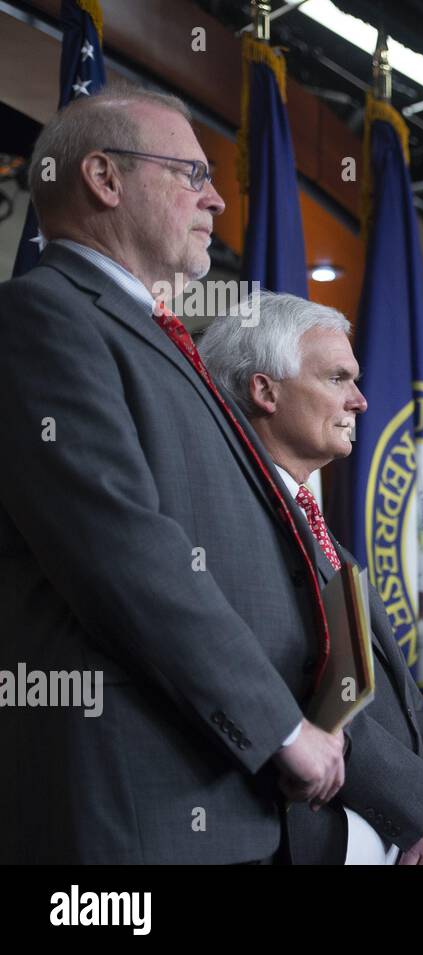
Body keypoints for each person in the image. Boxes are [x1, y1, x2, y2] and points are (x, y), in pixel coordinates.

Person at [0, 85, 343, 863]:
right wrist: (282, 727)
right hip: (135, 811)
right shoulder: (43, 317)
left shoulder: (164, 338)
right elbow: (120, 548)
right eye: (191, 174)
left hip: (219, 802)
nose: (218, 199)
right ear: (104, 178)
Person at [200, 292, 423, 865]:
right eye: (337, 378)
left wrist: (418, 827)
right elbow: (287, 680)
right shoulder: (224, 520)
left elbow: (405, 704)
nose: (361, 399)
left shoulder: (331, 543)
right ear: (264, 390)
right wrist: (422, 807)